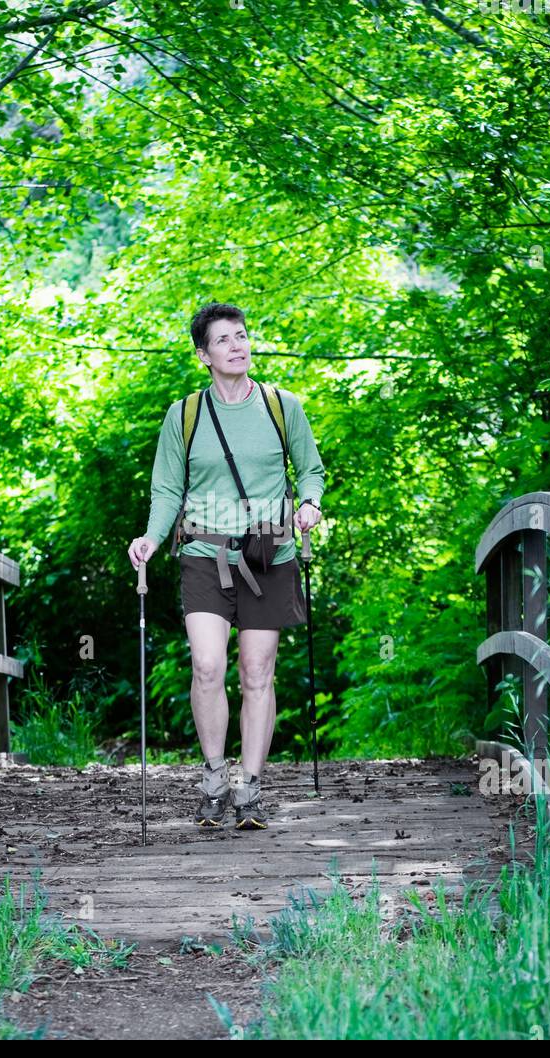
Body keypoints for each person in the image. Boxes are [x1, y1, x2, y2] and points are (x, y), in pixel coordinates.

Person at [127, 303, 325, 830]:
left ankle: (250, 789)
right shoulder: (185, 415)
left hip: (270, 554)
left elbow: (310, 471)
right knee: (208, 666)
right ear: (203, 355)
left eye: (241, 335)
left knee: (257, 672)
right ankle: (215, 776)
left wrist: (310, 503)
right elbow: (167, 488)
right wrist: (150, 536)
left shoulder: (283, 406)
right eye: (223, 340)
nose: (237, 345)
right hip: (202, 554)